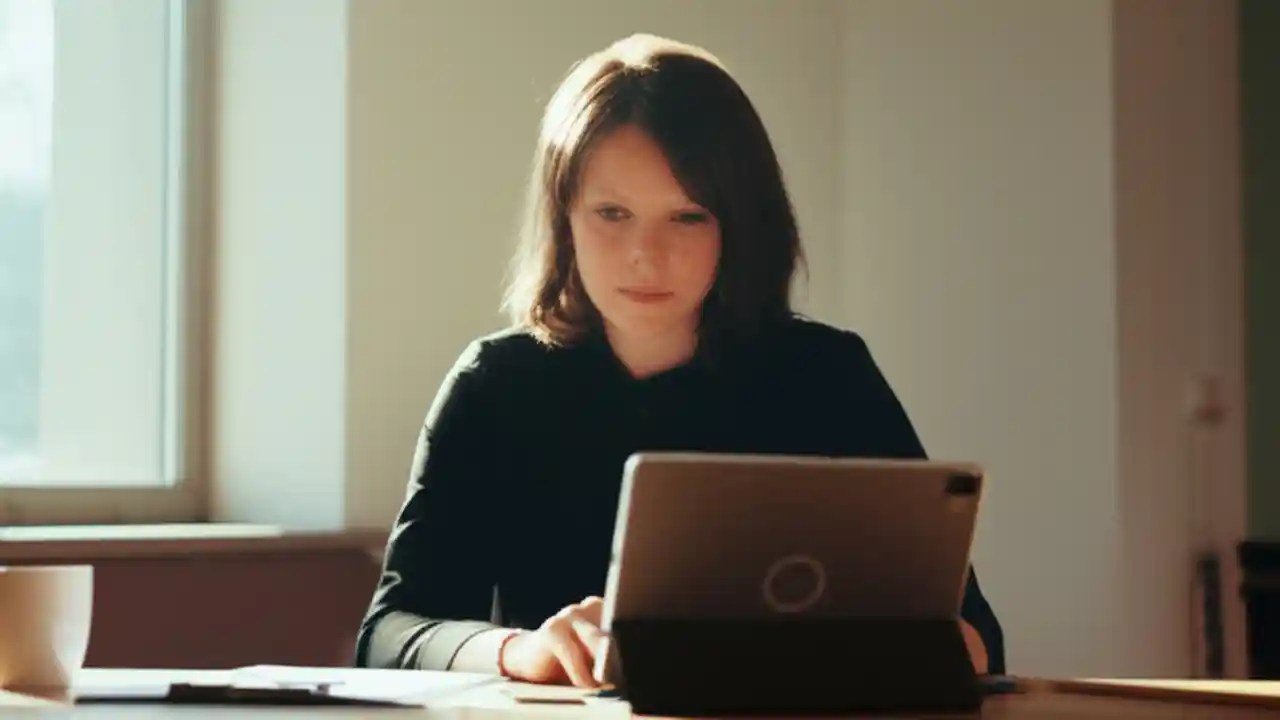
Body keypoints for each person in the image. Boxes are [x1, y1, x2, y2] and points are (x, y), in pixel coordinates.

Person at [355, 32, 1004, 687]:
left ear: (740, 225)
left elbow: (975, 640)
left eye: (688, 217)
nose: (646, 253)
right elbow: (390, 635)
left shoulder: (828, 377)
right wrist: (522, 649)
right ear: (564, 217)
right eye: (612, 213)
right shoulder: (494, 386)